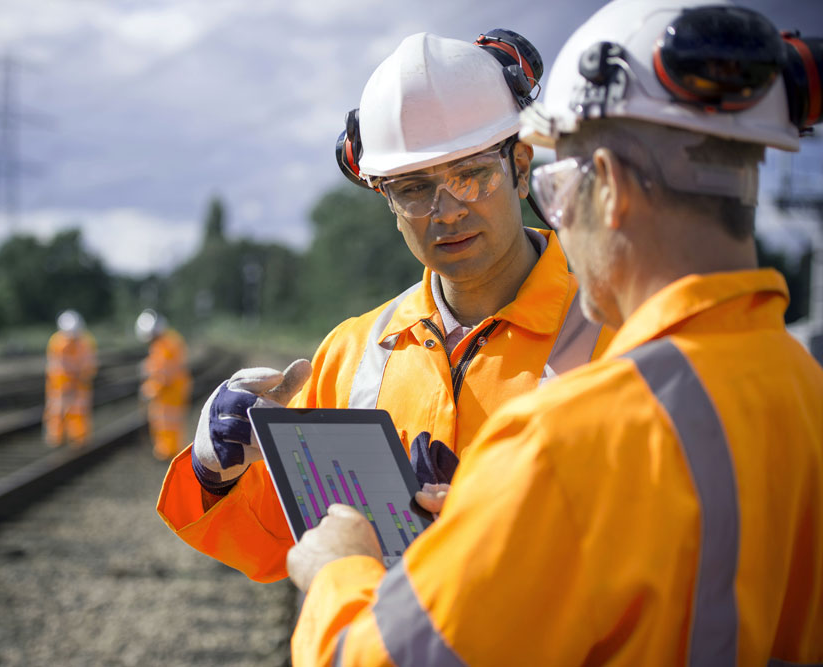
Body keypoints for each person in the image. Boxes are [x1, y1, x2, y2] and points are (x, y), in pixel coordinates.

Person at [286, 1, 823, 664]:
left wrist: (340, 570)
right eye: (414, 188)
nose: (558, 219)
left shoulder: (562, 443)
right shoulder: (804, 389)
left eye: (560, 186)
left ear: (611, 188)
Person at [158, 30, 613, 583]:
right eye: (413, 188)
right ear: (386, 199)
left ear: (520, 167)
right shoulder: (352, 356)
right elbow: (278, 543)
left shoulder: (618, 331)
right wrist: (215, 474)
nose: (446, 210)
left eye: (471, 175)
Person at [135, 309, 192, 460]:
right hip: (175, 389)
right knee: (171, 424)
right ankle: (169, 451)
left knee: (165, 423)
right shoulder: (170, 340)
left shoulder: (164, 346)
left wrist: (149, 390)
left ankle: (167, 452)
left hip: (169, 392)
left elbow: (163, 375)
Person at [44, 309, 97, 447]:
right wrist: (63, 385)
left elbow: (89, 366)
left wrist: (78, 380)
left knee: (78, 412)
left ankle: (79, 440)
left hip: (79, 387)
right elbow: (54, 367)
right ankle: (56, 439)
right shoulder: (56, 343)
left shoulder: (85, 343)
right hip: (60, 386)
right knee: (56, 412)